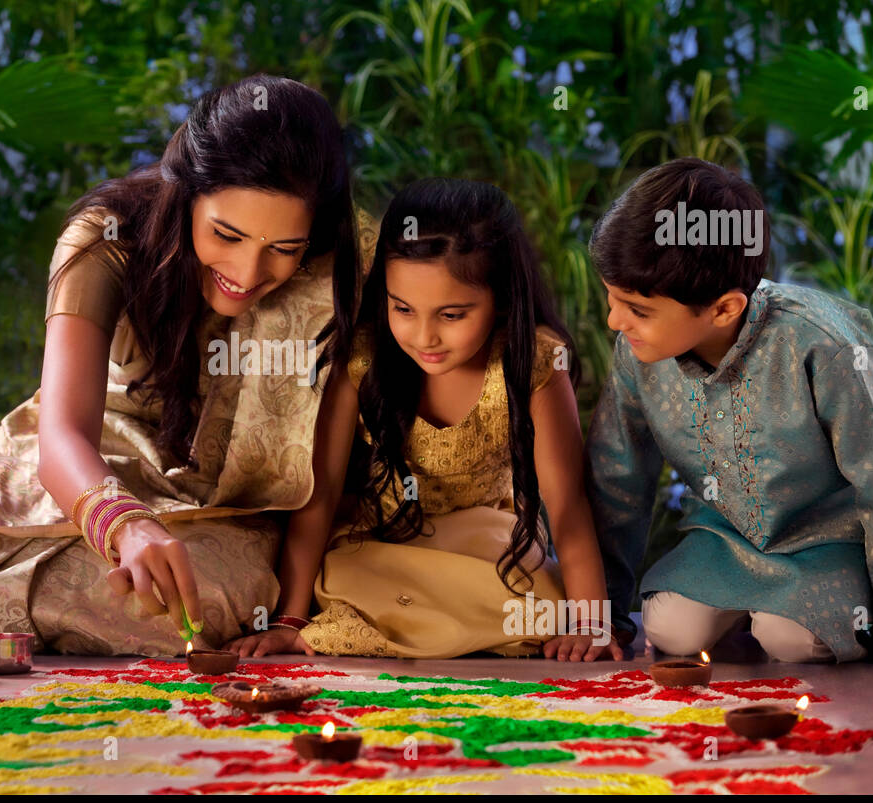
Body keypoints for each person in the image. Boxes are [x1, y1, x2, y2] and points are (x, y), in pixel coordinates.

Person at [0, 73, 370, 655]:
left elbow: (320, 474)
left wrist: (292, 621)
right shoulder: (104, 239)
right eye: (227, 235)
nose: (247, 273)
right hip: (95, 450)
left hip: (229, 499)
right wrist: (129, 527)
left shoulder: (343, 272)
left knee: (205, 602)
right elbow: (63, 433)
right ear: (188, 193)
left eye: (283, 250)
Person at [230, 177, 624, 660]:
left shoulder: (535, 363)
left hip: (485, 547)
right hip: (387, 540)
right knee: (347, 577)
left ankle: (419, 625)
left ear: (500, 299)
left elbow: (566, 505)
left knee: (538, 600)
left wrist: (590, 624)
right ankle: (431, 626)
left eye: (452, 315)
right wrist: (291, 617)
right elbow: (323, 492)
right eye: (403, 309)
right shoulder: (362, 360)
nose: (424, 336)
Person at [585, 156, 873, 664]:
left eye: (637, 310)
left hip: (831, 543)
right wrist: (601, 610)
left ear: (724, 309)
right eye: (613, 299)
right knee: (670, 629)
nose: (613, 321)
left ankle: (803, 621)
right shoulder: (638, 350)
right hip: (725, 541)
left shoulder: (821, 345)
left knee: (794, 640)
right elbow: (617, 477)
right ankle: (748, 625)